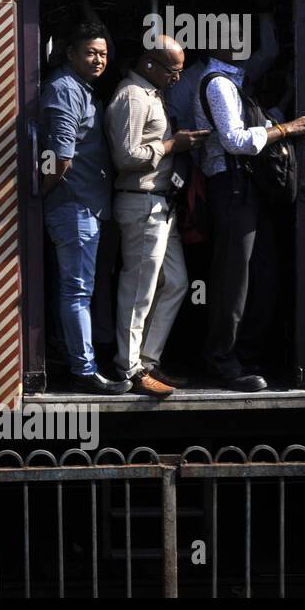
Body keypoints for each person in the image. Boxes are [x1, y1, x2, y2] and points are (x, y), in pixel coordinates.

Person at [194, 43, 305, 391]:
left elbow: (260, 125)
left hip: (246, 190)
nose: (244, 42)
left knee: (262, 273)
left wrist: (288, 99)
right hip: (231, 189)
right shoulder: (217, 82)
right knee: (234, 280)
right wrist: (288, 129)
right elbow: (235, 141)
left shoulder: (236, 81)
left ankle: (245, 354)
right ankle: (221, 359)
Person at [103, 36, 210, 398]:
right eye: (173, 71)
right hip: (142, 203)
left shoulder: (150, 93)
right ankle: (128, 368)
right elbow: (127, 156)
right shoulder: (132, 96)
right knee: (138, 292)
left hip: (161, 205)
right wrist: (171, 145)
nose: (178, 78)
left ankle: (147, 360)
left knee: (176, 282)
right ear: (149, 63)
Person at [39, 22, 126, 394]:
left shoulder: (82, 90)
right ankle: (84, 370)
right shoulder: (63, 91)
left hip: (87, 206)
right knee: (77, 292)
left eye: (103, 54)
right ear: (70, 53)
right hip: (74, 207)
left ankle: (75, 356)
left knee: (77, 289)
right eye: (90, 52)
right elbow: (61, 159)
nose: (98, 60)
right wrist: (41, 198)